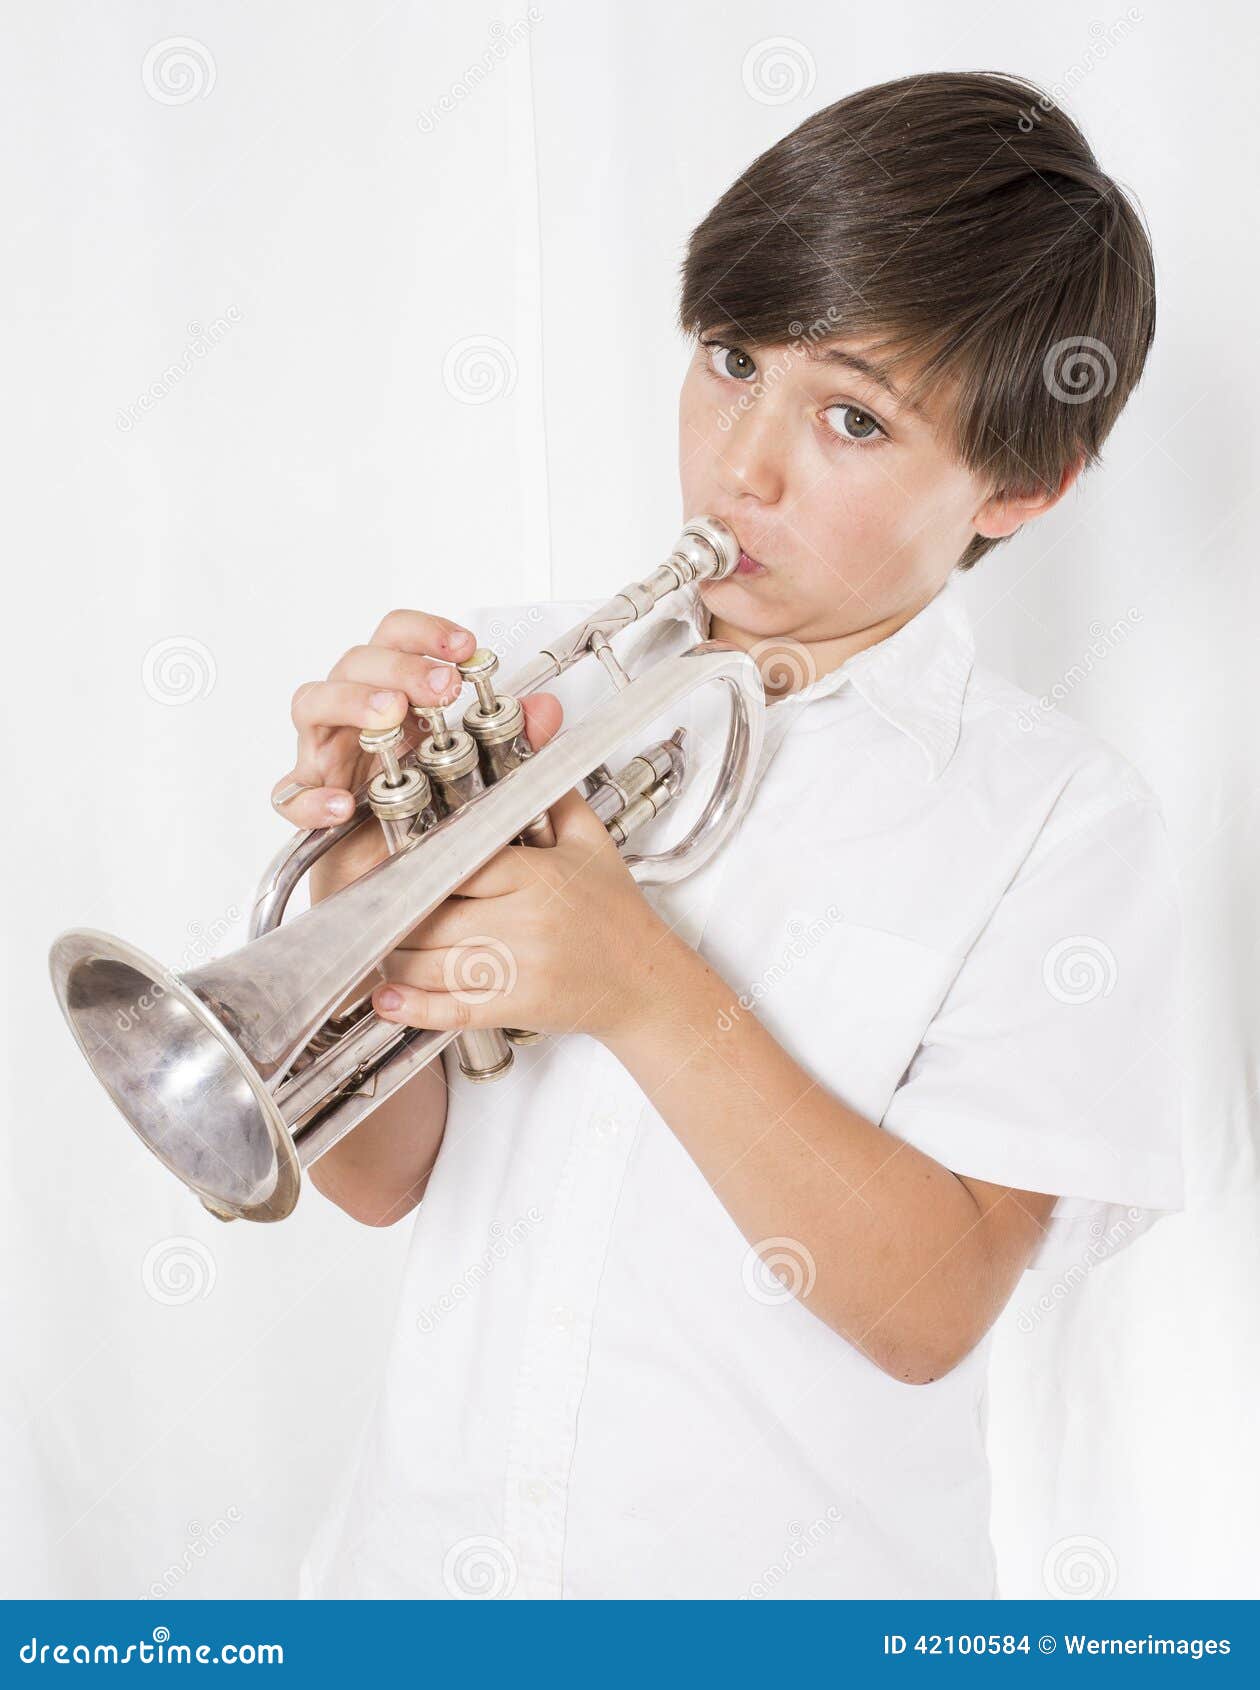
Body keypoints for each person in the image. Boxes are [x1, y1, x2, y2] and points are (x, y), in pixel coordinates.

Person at [280, 71, 1183, 1599]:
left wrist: (639, 980)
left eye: (850, 416)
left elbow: (930, 1307)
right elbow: (376, 1179)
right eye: (726, 358)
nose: (739, 468)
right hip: (412, 1591)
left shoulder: (1060, 826)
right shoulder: (518, 683)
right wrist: (367, 885)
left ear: (1022, 487)